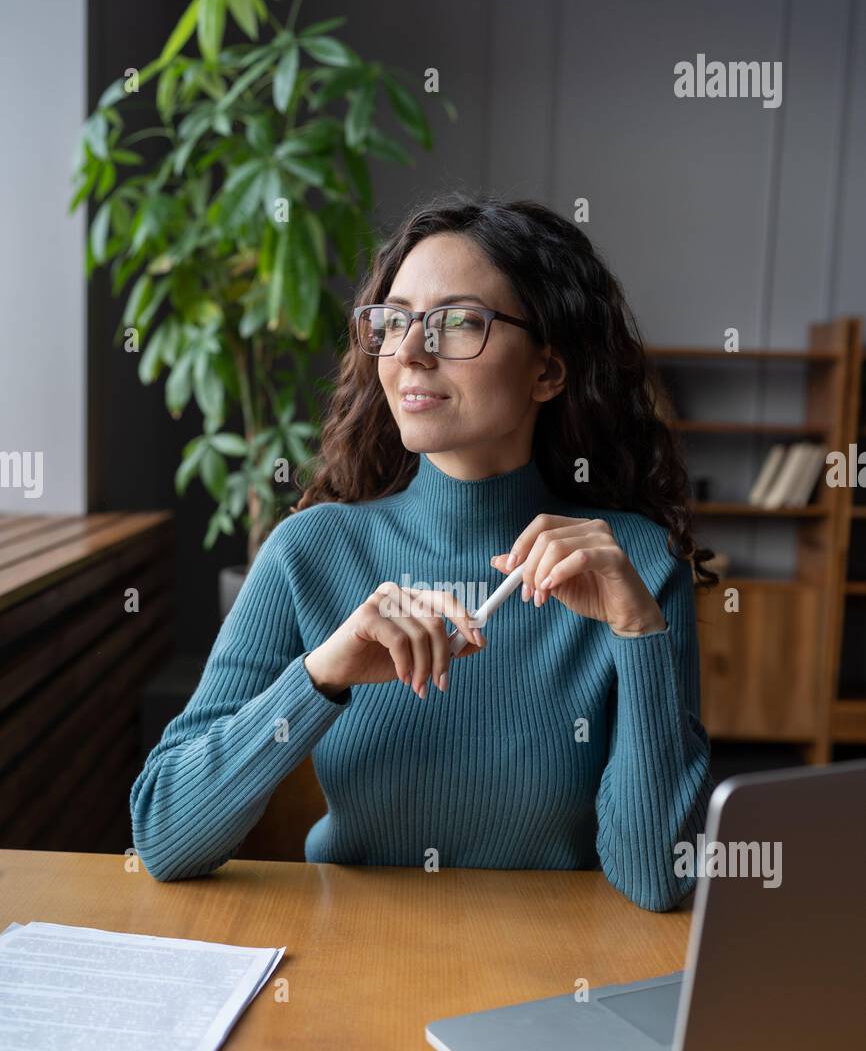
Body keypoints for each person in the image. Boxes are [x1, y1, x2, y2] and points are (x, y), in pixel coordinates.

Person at [130, 191, 716, 909]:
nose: (409, 351)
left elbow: (658, 878)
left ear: (548, 371)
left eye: (458, 321)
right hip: (347, 957)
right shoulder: (308, 552)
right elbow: (164, 836)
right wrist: (322, 676)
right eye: (394, 320)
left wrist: (639, 632)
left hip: (553, 965)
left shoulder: (634, 566)